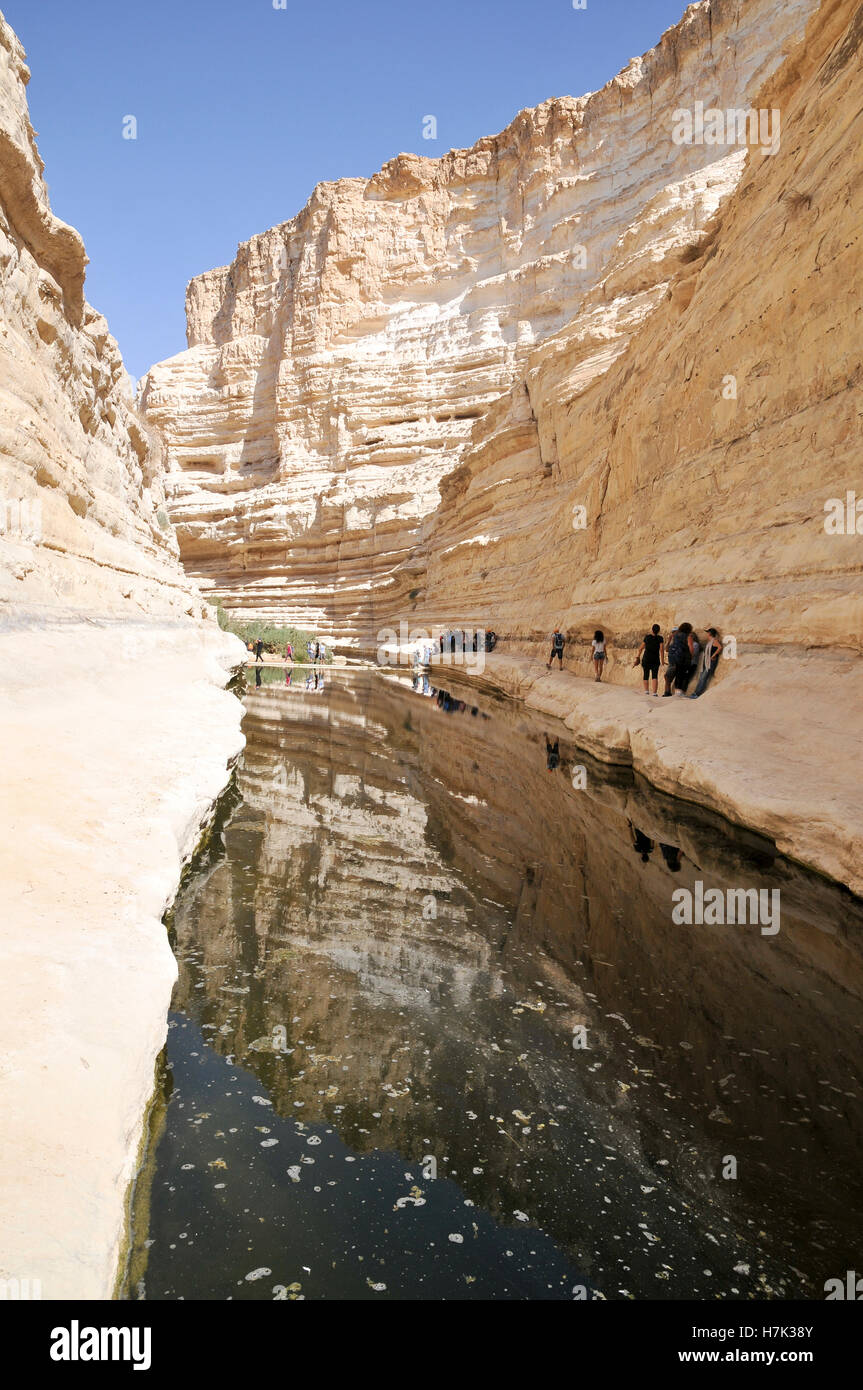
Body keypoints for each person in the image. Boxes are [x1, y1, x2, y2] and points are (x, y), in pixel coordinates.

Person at [663, 622, 694, 695]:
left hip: (673, 660)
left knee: (669, 677)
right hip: (681, 660)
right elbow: (691, 648)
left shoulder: (676, 637)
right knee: (679, 676)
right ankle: (676, 693)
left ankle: (667, 693)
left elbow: (668, 649)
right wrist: (690, 658)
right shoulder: (688, 636)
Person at [690, 629, 723, 698]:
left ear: (710, 633)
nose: (707, 634)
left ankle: (696, 694)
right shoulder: (710, 642)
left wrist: (713, 655)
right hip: (706, 661)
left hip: (710, 662)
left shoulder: (714, 641)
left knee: (703, 678)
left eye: (707, 632)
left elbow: (720, 647)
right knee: (702, 677)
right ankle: (695, 693)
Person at [635, 624, 664, 696]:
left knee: (646, 674)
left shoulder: (647, 637)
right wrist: (662, 660)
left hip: (646, 659)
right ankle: (654, 693)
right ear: (658, 631)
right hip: (655, 659)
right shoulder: (660, 638)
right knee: (654, 676)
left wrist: (638, 657)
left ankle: (646, 691)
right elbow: (661, 650)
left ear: (652, 630)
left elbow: (640, 648)